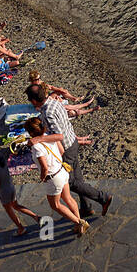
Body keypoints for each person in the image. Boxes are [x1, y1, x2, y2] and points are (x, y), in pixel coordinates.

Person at [25, 82, 111, 218]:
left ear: (34, 100)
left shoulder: (48, 113)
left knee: (70, 182)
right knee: (78, 178)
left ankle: (103, 198)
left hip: (67, 148)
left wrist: (39, 139)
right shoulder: (53, 102)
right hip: (73, 141)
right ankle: (86, 208)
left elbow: (59, 136)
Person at [24, 117, 88, 235]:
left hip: (53, 178)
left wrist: (42, 177)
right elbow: (62, 151)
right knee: (68, 198)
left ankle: (79, 222)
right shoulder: (49, 136)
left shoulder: (36, 147)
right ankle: (78, 224)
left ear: (31, 133)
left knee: (56, 205)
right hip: (62, 171)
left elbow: (45, 167)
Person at [0, 146, 40, 235]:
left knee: (9, 210)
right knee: (16, 206)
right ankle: (36, 217)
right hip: (11, 187)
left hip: (4, 192)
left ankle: (21, 228)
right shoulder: (2, 161)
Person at [26, 70, 95, 118]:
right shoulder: (33, 90)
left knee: (62, 93)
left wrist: (60, 91)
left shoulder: (39, 83)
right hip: (43, 105)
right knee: (70, 110)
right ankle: (88, 106)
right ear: (32, 80)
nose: (39, 80)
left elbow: (50, 87)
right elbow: (37, 104)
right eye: (37, 79)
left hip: (47, 101)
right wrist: (55, 101)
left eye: (39, 78)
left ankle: (75, 99)